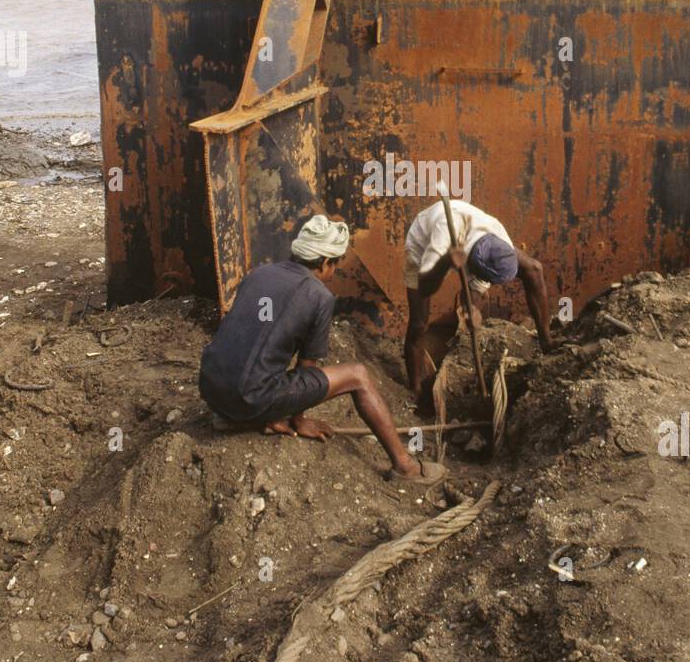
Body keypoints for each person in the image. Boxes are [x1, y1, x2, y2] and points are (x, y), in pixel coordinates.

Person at [199, 214, 446, 486]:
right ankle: (405, 467)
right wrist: (299, 420)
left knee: (259, 375)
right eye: (335, 266)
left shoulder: (259, 273)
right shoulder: (319, 296)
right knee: (358, 375)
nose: (333, 273)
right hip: (249, 396)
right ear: (326, 263)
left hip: (211, 388)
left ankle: (238, 417)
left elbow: (244, 332)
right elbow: (307, 368)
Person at [404, 199, 552, 393]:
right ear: (472, 268)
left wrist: (470, 310)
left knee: (533, 269)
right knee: (419, 323)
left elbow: (479, 286)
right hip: (425, 249)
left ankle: (547, 341)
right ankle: (415, 388)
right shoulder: (442, 236)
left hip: (469, 241)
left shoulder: (498, 238)